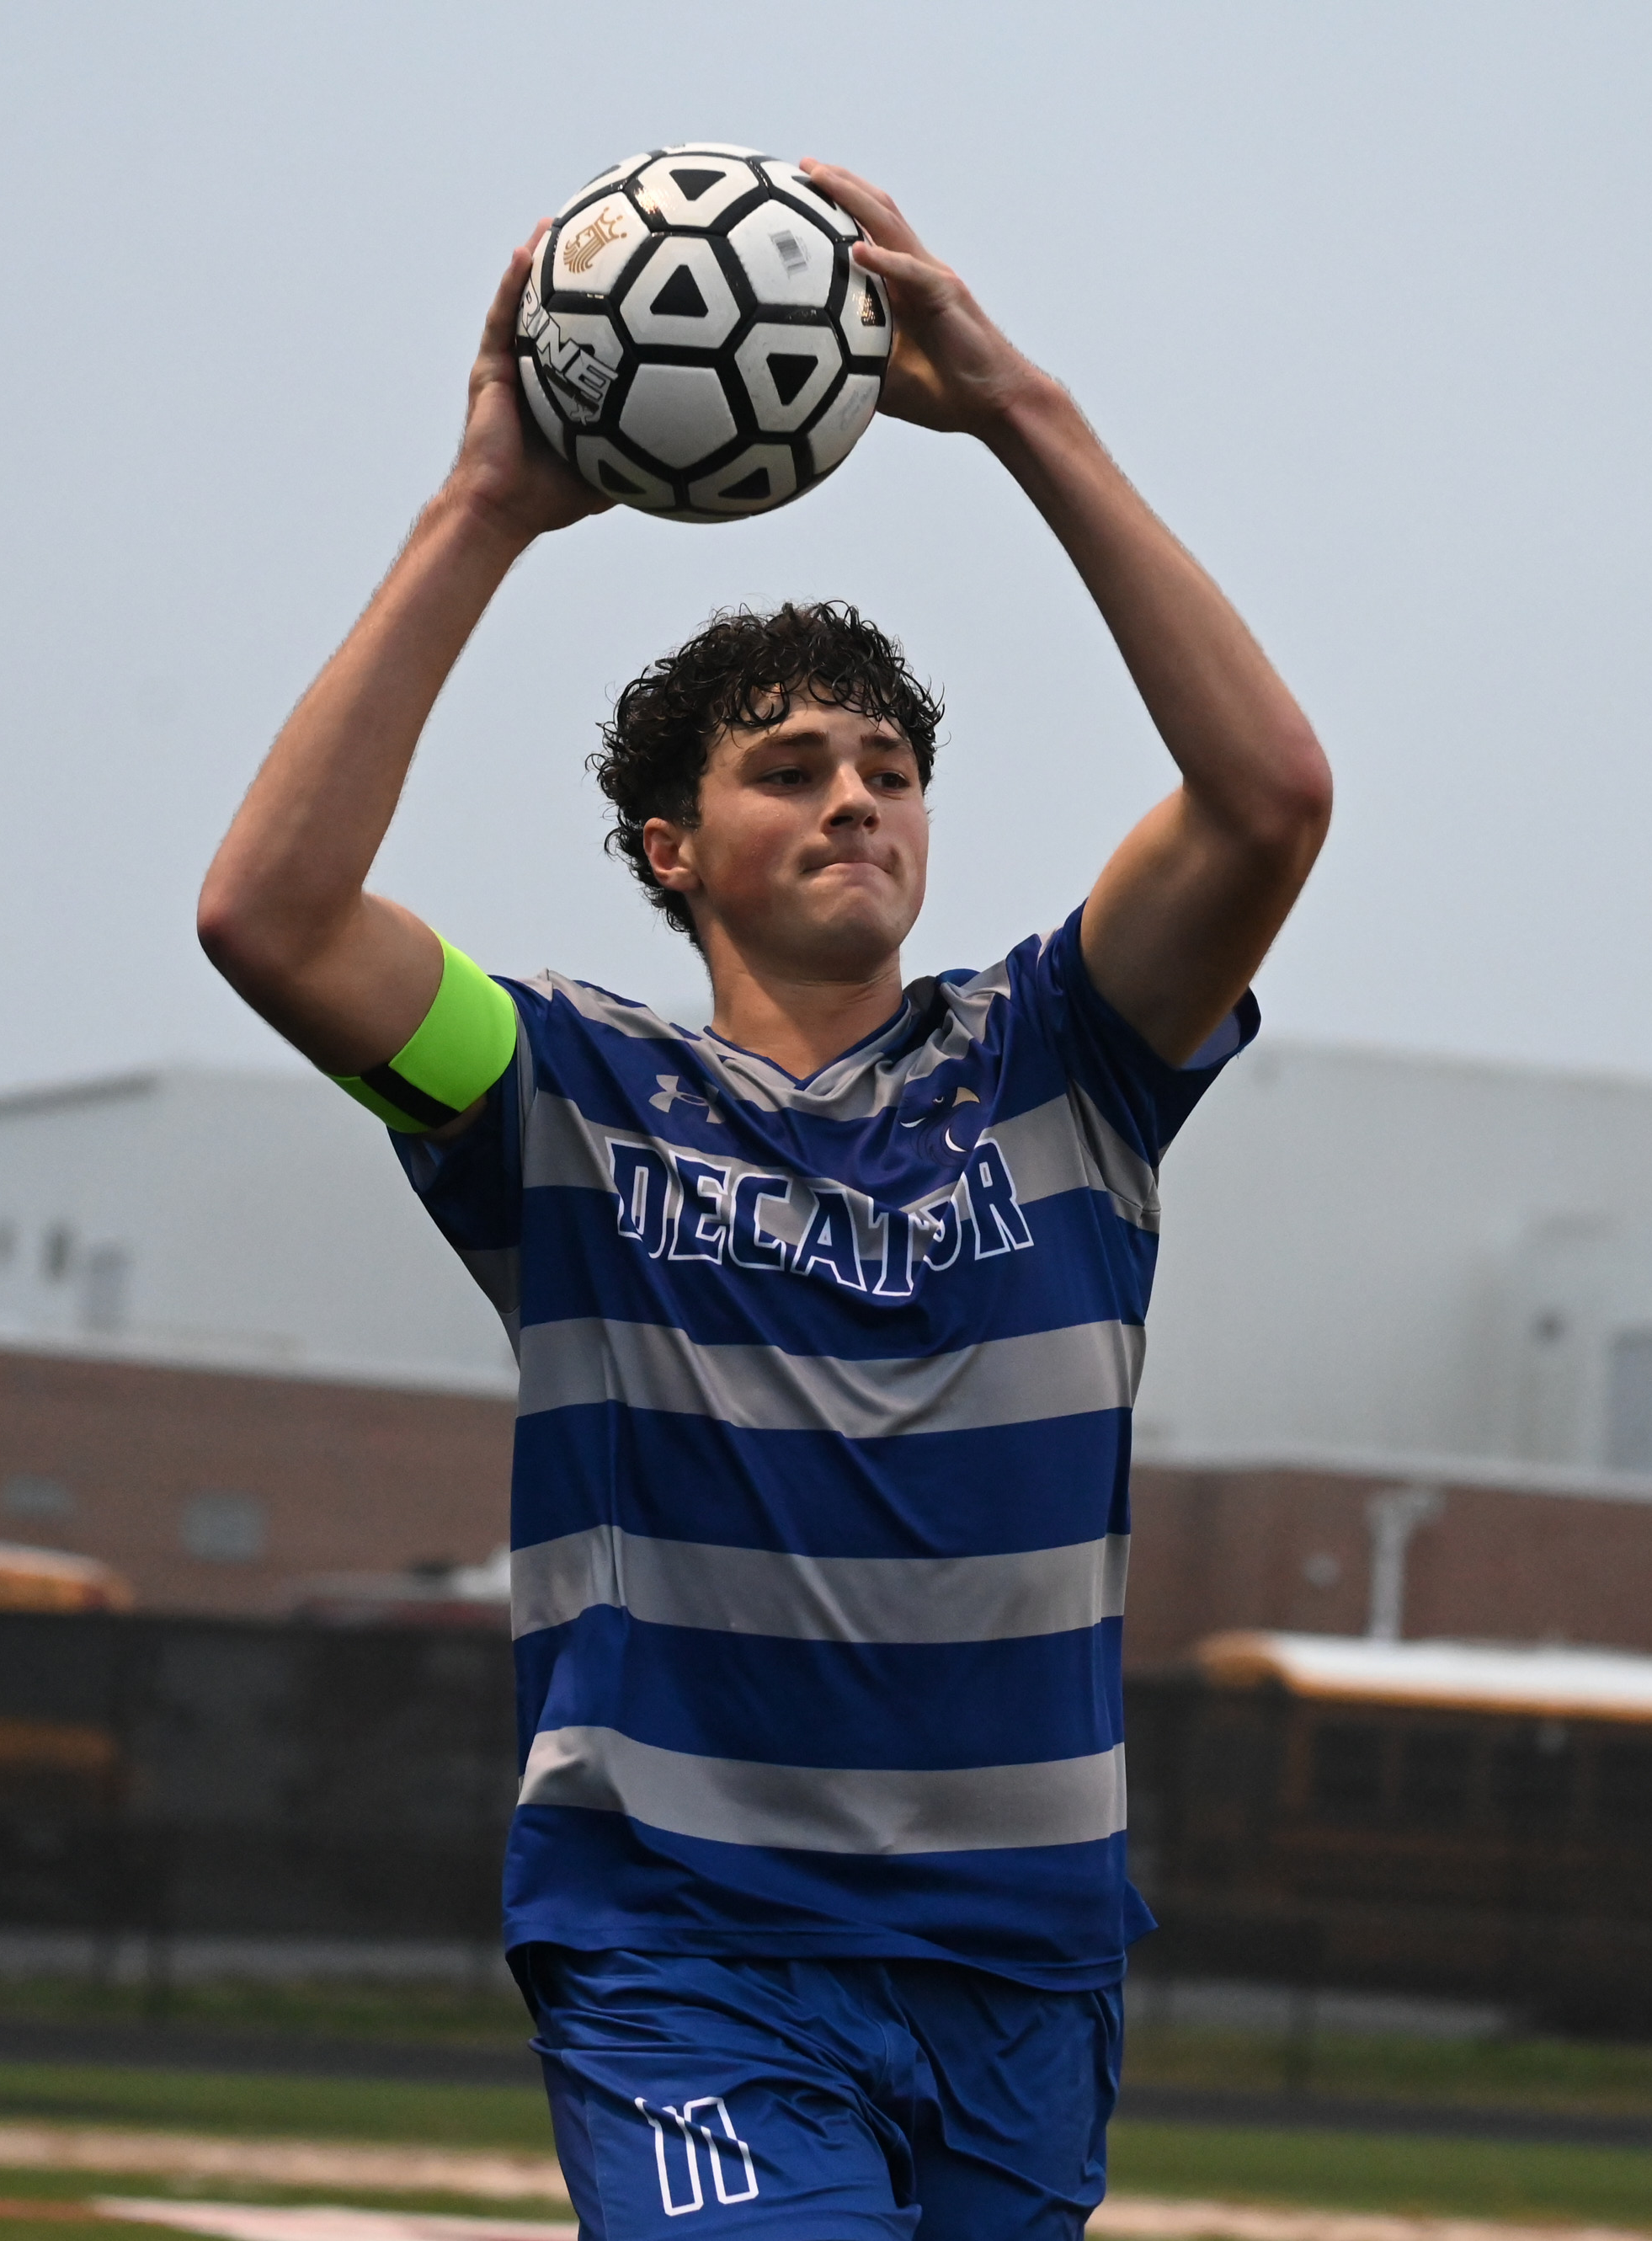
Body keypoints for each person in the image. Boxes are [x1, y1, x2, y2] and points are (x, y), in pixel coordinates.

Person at [197, 158, 1330, 2241]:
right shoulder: (558, 1089)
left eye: (888, 763)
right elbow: (268, 914)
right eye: (788, 765)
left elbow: (1270, 794)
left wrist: (1022, 415)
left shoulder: (1064, 1059)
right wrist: (483, 513)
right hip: (688, 1945)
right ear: (667, 848)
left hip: (1021, 1958)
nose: (854, 793)